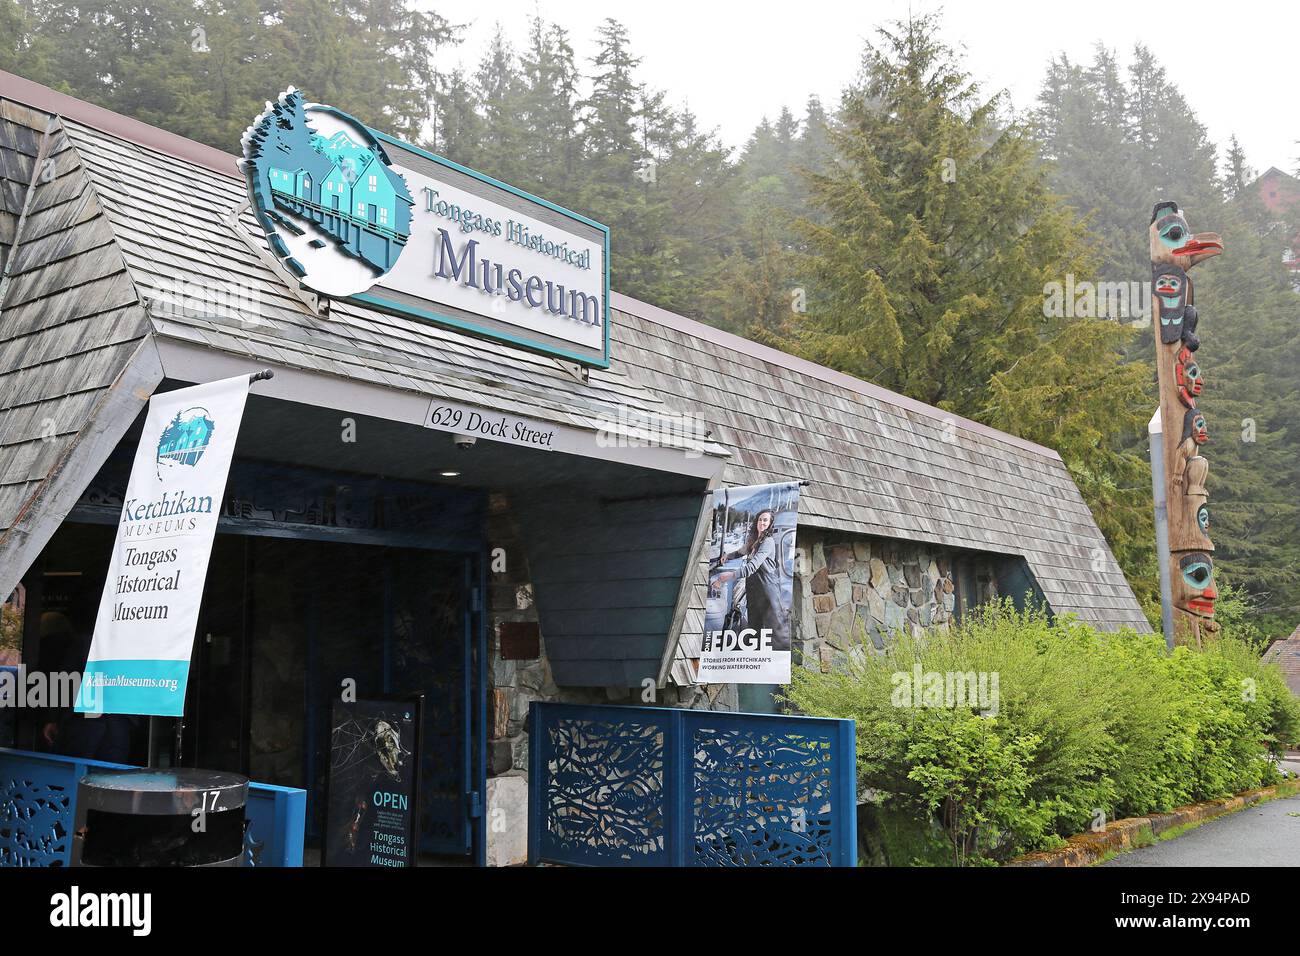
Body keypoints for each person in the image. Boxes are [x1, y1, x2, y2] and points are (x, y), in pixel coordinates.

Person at [37, 611, 131, 764]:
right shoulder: (133, 645)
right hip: (116, 726)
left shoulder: (85, 642)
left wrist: (52, 718)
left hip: (86, 725)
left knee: (79, 776)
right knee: (110, 778)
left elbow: (64, 680)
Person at [712, 509, 791, 651]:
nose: (762, 522)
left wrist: (728, 576)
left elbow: (752, 567)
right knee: (755, 628)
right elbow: (740, 552)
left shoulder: (768, 542)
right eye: (760, 519)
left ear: (770, 523)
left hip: (767, 591)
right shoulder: (754, 541)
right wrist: (727, 556)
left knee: (770, 633)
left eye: (765, 520)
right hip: (754, 590)